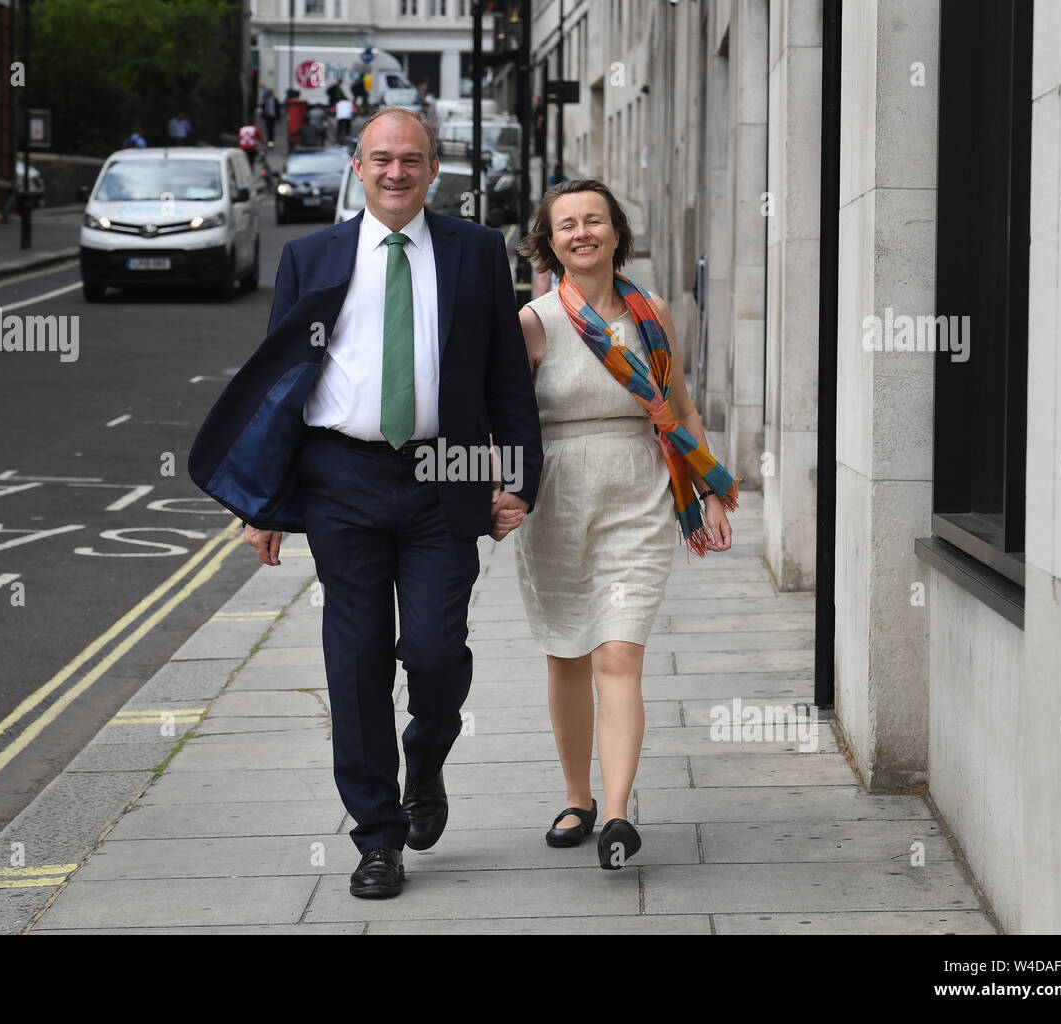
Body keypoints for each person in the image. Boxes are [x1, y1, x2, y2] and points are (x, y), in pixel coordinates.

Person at [188, 108, 542, 899]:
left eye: (410, 160)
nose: (395, 172)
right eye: (381, 159)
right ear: (357, 165)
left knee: (435, 653)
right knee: (354, 665)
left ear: (433, 169)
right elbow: (281, 388)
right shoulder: (310, 256)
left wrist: (516, 478)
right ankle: (377, 838)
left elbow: (506, 380)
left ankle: (426, 756)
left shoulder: (478, 252)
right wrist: (264, 504)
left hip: (442, 471)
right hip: (338, 477)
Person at [505, 178, 737, 870]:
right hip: (558, 503)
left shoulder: (651, 311)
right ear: (548, 242)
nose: (582, 233)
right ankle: (576, 797)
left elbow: (680, 410)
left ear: (616, 232)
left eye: (594, 221)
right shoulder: (533, 323)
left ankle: (615, 813)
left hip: (639, 496)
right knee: (569, 653)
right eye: (567, 224)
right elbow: (508, 426)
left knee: (619, 651)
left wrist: (712, 490)